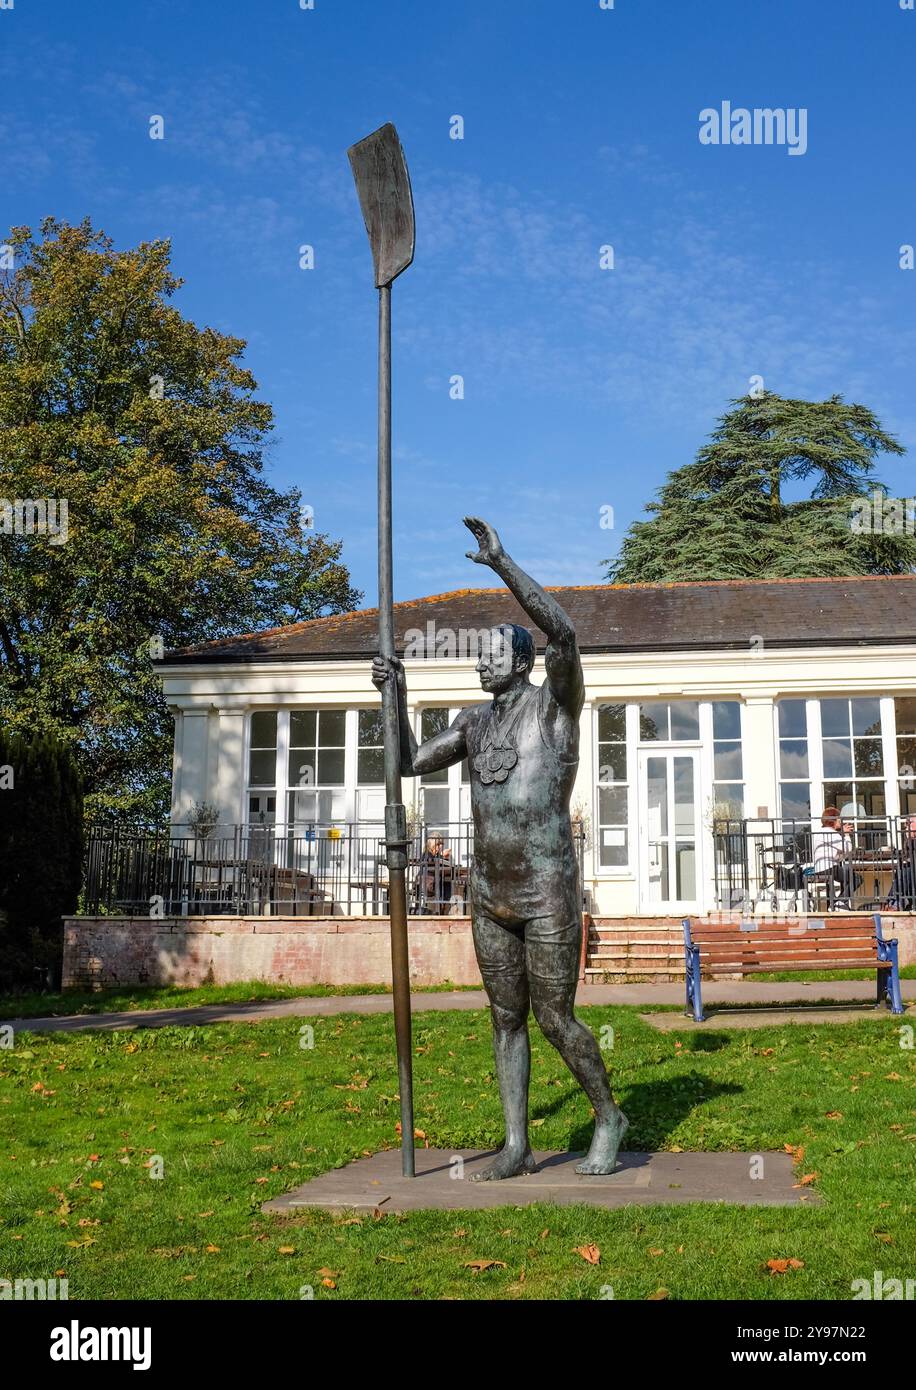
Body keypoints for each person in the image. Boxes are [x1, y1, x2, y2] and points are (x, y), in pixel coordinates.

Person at [372, 516, 628, 1180]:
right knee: (504, 1020)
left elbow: (565, 633)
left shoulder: (555, 708)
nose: (480, 660)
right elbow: (404, 761)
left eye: (491, 651)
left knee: (554, 1019)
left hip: (545, 894)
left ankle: (609, 1116)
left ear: (521, 659)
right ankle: (516, 1144)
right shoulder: (471, 722)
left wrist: (502, 563)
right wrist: (392, 693)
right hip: (489, 897)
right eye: (477, 652)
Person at [811, 808, 861, 909]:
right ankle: (840, 902)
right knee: (857, 879)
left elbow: (839, 854)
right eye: (839, 819)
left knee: (846, 875)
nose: (840, 821)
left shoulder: (820, 832)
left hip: (820, 868)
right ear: (832, 820)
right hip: (829, 867)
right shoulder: (831, 833)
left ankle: (835, 904)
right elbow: (847, 848)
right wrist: (846, 834)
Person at [888, 815, 916, 910]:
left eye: (909, 824)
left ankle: (893, 901)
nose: (906, 828)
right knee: (903, 871)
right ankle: (894, 902)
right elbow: (907, 855)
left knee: (906, 872)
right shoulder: (909, 840)